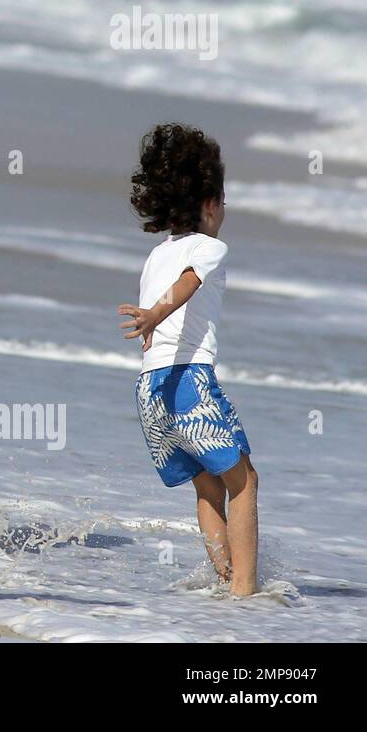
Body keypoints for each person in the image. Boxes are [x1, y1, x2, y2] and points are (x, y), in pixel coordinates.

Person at [118, 123, 258, 597]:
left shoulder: (157, 253)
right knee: (243, 480)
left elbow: (165, 299)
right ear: (210, 203)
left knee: (207, 485)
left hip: (149, 387)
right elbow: (189, 283)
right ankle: (244, 588)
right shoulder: (211, 246)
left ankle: (223, 579)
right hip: (187, 383)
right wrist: (157, 313)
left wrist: (152, 321)